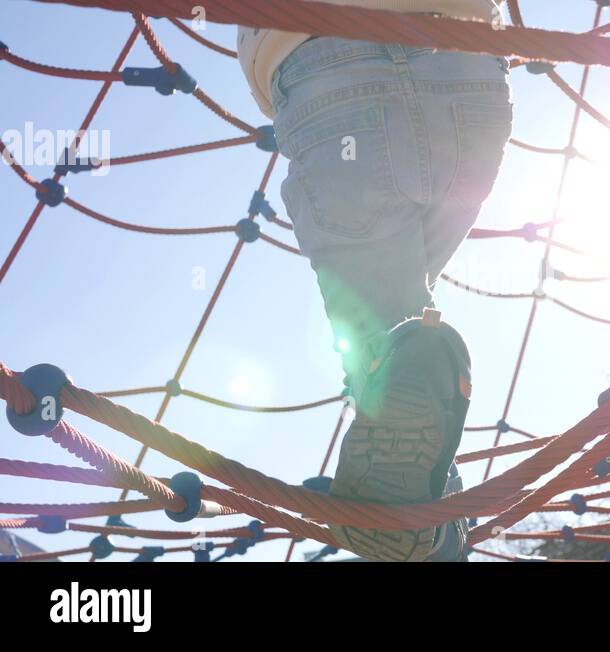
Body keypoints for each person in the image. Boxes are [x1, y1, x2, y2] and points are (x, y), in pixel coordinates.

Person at [237, 0, 511, 561]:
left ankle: (426, 533)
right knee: (396, 322)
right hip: (465, 70)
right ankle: (434, 513)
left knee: (382, 342)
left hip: (328, 69)